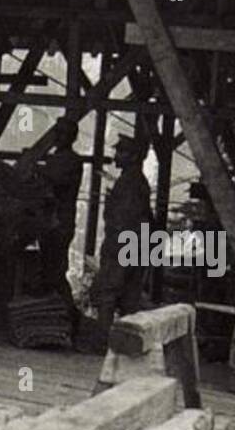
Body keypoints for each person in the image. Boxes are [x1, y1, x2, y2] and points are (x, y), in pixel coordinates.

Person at [93, 133, 153, 351]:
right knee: (129, 297)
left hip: (122, 244)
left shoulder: (129, 183)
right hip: (136, 245)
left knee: (108, 293)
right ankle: (126, 345)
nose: (116, 155)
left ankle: (102, 343)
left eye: (121, 152)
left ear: (134, 156)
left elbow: (122, 219)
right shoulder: (137, 181)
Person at [38, 118, 83, 302]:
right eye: (56, 132)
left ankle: (68, 314)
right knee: (49, 269)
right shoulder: (58, 158)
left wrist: (36, 169)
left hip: (60, 222)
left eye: (61, 133)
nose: (57, 137)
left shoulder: (71, 161)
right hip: (51, 221)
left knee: (55, 272)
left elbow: (55, 181)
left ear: (70, 137)